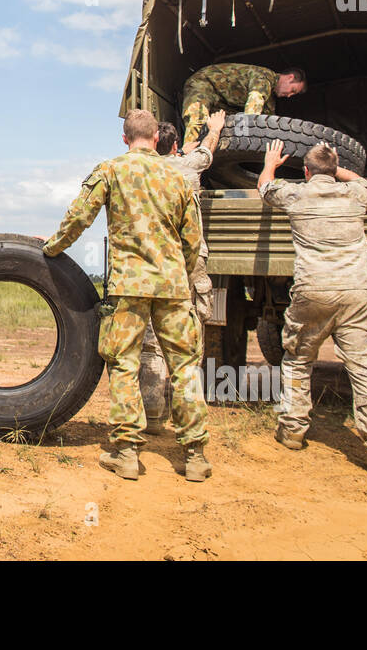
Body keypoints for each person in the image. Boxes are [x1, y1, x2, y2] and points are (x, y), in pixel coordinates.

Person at [42, 109, 209, 482]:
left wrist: (51, 248)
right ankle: (195, 456)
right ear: (155, 137)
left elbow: (79, 218)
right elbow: (193, 241)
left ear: (124, 139)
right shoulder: (178, 176)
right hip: (173, 288)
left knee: (124, 365)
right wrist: (176, 272)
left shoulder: (111, 170)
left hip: (128, 287)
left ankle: (127, 453)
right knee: (184, 368)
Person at [259, 139, 367, 477]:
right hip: (357, 293)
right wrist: (334, 167)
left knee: (297, 360)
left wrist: (271, 162)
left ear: (305, 172)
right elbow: (363, 182)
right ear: (333, 171)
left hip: (313, 291)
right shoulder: (355, 195)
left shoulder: (296, 194)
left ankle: (292, 430)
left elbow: (264, 187)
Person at [140, 110, 224, 432]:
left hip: (153, 263)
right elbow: (207, 151)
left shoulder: (140, 170)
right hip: (189, 262)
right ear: (174, 146)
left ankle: (151, 413)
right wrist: (213, 129)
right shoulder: (189, 166)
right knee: (189, 338)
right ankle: (184, 412)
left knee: (152, 341)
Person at [181, 63, 306, 148]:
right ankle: (187, 162)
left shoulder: (270, 101)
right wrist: (242, 140)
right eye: (293, 90)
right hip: (204, 83)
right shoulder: (265, 76)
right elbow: (254, 102)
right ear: (290, 77)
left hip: (220, 102)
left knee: (225, 127)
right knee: (197, 120)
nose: (289, 95)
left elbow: (267, 126)